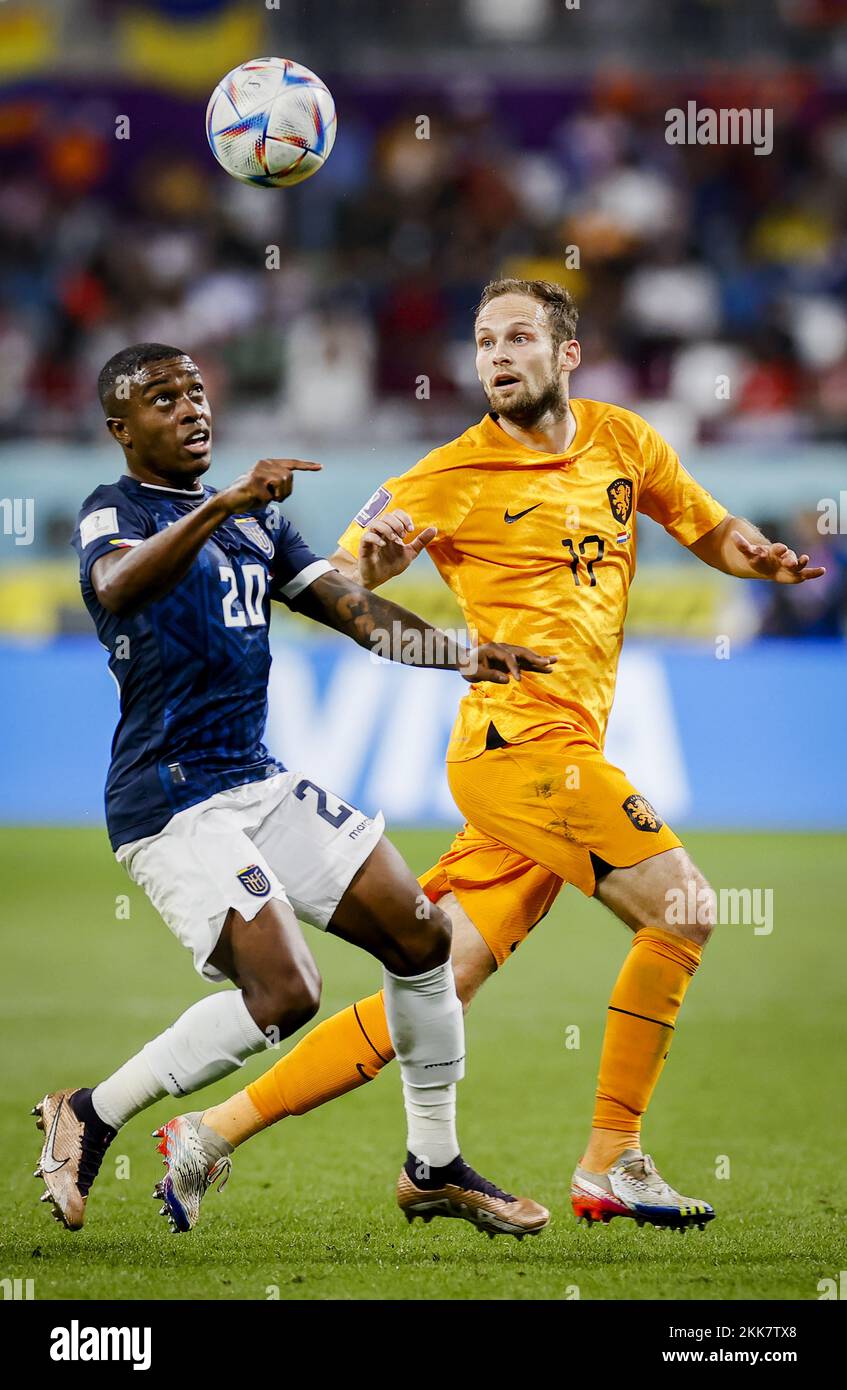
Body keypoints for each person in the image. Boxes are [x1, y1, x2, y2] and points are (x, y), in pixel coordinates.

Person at [163, 280, 825, 1235]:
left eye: (518, 337)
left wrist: (754, 554)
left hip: (553, 757)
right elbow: (342, 575)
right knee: (682, 910)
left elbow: (702, 524)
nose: (497, 356)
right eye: (482, 342)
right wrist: (377, 558)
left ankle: (208, 1132)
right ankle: (613, 1158)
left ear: (567, 353)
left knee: (436, 984)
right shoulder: (447, 474)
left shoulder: (625, 441)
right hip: (519, 746)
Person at [32, 341, 556, 1240]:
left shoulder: (260, 525)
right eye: (163, 399)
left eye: (195, 392)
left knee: (420, 936)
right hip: (170, 798)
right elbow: (117, 588)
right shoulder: (111, 512)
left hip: (257, 780)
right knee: (286, 996)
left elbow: (355, 613)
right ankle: (90, 1110)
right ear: (122, 430)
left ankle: (432, 1164)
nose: (191, 409)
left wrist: (463, 655)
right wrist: (227, 500)